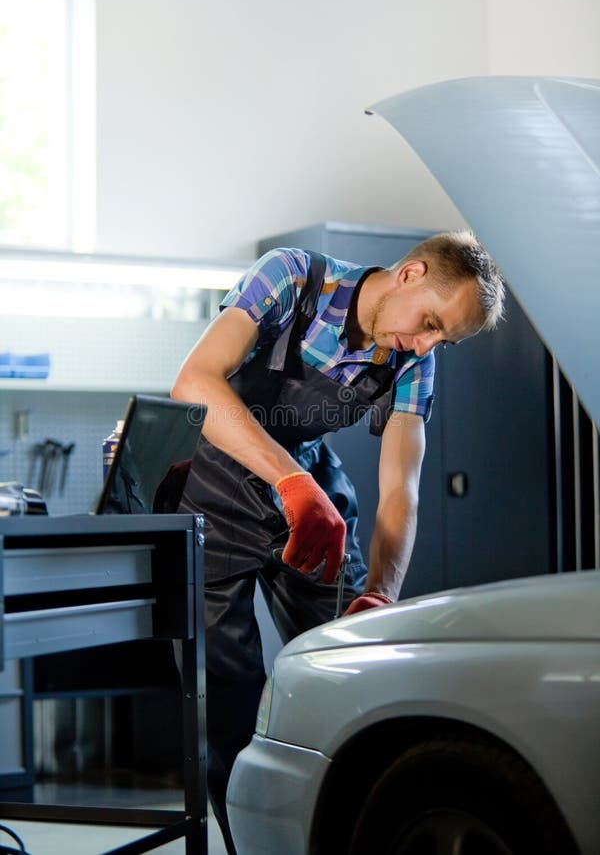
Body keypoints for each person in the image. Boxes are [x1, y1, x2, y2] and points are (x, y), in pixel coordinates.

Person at [168, 230, 505, 852]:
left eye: (444, 341)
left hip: (313, 495)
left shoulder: (412, 360)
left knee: (354, 669)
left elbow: (401, 487)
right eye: (430, 323)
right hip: (214, 494)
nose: (426, 345)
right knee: (227, 702)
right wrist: (292, 484)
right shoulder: (292, 277)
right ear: (410, 274)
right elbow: (194, 382)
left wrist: (382, 591)